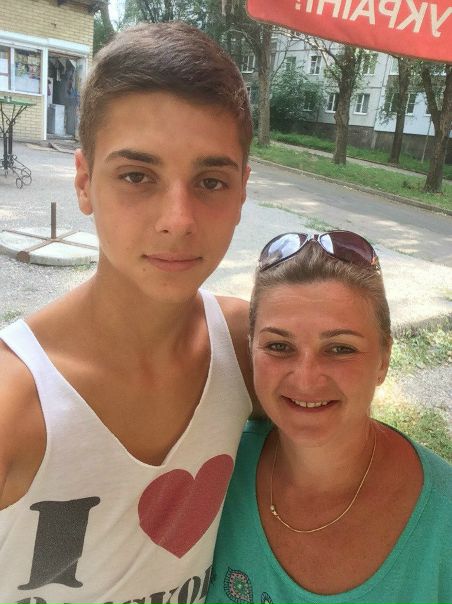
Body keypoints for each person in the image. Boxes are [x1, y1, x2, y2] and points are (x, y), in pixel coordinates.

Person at [0, 22, 255, 604]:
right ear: (84, 182)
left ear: (242, 190)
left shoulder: (252, 349)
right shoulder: (15, 399)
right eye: (137, 176)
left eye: (211, 181)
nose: (178, 220)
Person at [207, 231, 452, 604]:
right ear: (251, 349)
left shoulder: (442, 519)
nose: (306, 379)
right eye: (279, 346)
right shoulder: (214, 469)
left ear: (383, 359)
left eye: (340, 349)